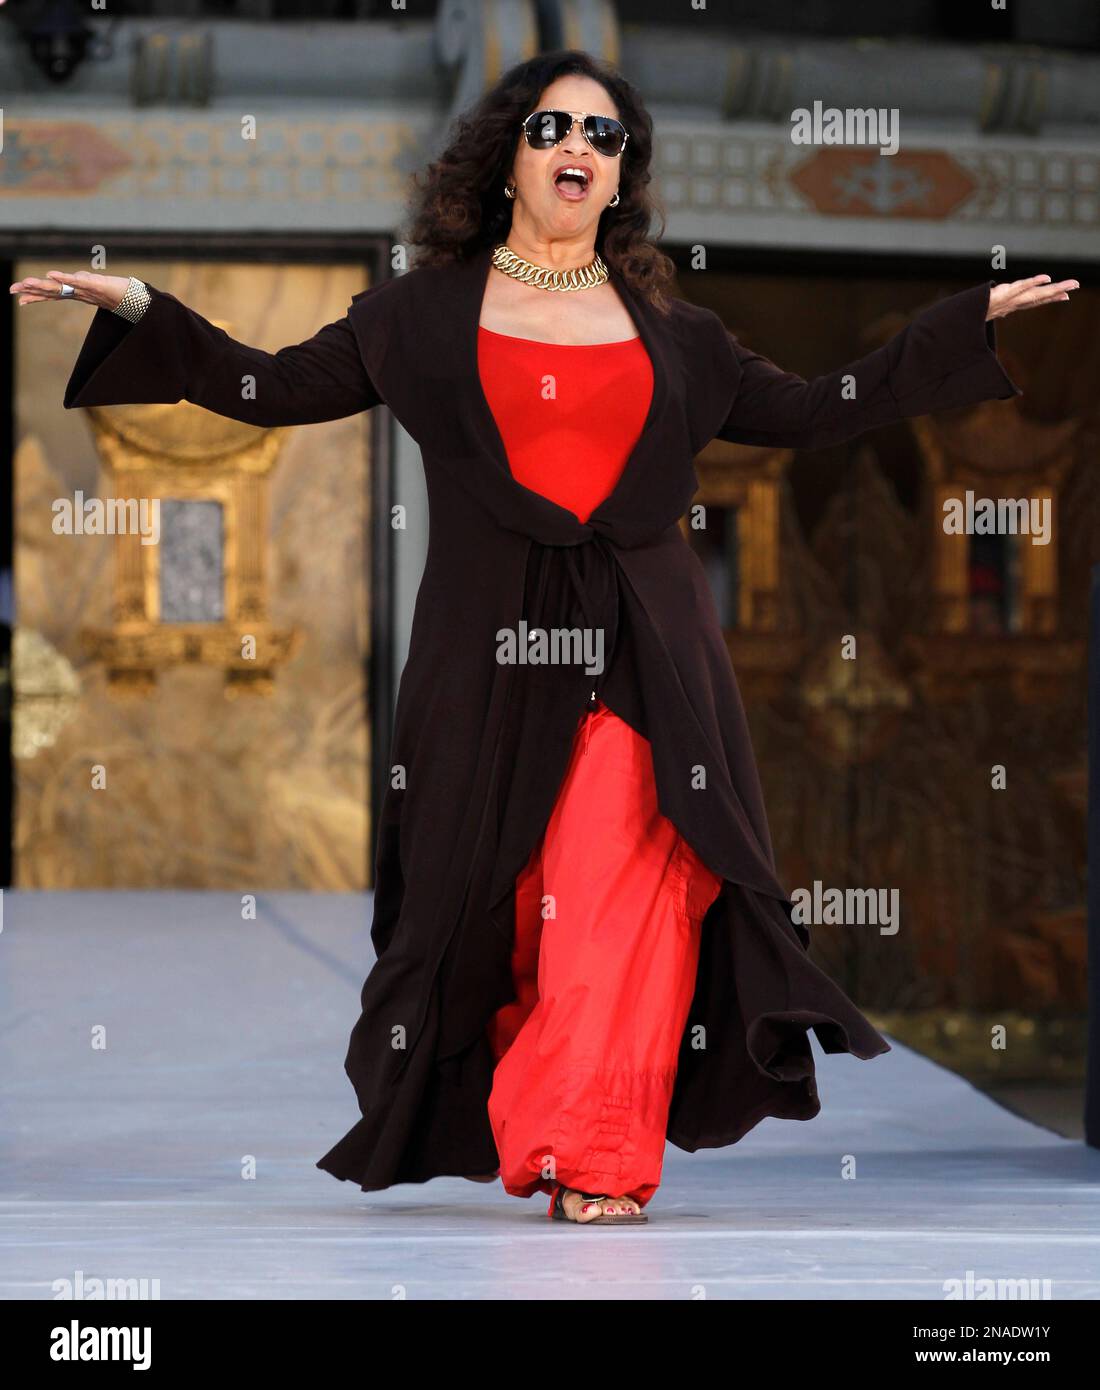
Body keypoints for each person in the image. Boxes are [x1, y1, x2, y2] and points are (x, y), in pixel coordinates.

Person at [13, 49, 1077, 1229]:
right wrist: (141, 311)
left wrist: (951, 326)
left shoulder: (679, 335)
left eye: (605, 138)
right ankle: (540, 1110)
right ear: (508, 157)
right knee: (506, 910)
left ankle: (597, 1152)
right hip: (487, 660)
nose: (580, 148)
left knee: (621, 893)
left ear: (620, 178)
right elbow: (267, 389)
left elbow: (814, 410)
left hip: (646, 655)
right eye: (555, 128)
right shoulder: (416, 316)